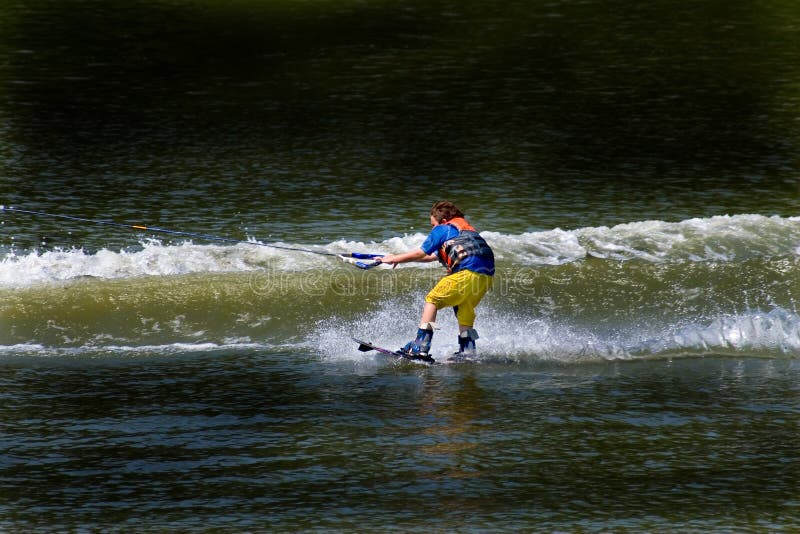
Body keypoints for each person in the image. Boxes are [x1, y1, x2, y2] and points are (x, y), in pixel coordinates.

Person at [379, 200, 495, 361]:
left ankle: (421, 347)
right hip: (486, 278)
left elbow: (421, 252)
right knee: (463, 310)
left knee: (432, 300)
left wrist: (394, 258)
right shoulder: (467, 232)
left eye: (432, 225)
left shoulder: (443, 229)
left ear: (443, 221)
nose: (432, 228)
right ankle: (468, 351)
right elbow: (431, 256)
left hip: (466, 273)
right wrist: (400, 259)